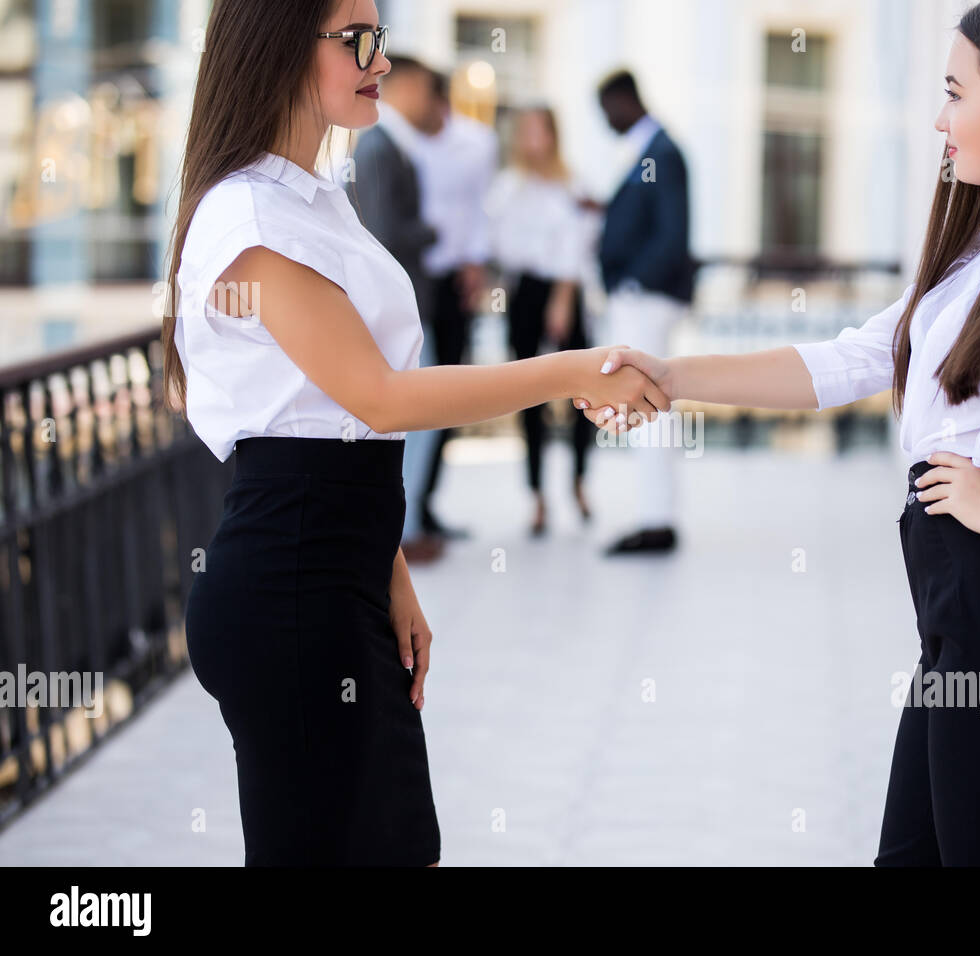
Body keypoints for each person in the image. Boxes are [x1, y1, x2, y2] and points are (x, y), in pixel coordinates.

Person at [579, 0, 980, 865]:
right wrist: (672, 377)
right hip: (967, 615)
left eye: (956, 92)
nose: (940, 117)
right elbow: (849, 359)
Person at [162, 0, 666, 867]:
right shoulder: (248, 218)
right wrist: (571, 368)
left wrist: (388, 568)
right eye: (356, 39)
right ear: (283, 46)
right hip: (289, 594)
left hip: (337, 577)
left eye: (380, 38)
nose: (382, 61)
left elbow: (339, 422)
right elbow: (380, 398)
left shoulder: (314, 197)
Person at [346, 53, 444, 563]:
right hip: (396, 308)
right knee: (410, 423)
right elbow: (382, 233)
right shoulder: (381, 149)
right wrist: (434, 230)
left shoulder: (391, 146)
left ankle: (403, 534)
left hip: (406, 303)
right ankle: (398, 538)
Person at [592, 69, 694, 555]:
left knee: (647, 405)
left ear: (624, 100)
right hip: (641, 297)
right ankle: (656, 517)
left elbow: (672, 236)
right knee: (648, 406)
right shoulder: (650, 150)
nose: (604, 120)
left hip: (647, 299)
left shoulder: (663, 153)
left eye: (606, 109)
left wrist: (633, 282)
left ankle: (657, 521)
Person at [484, 106, 596, 536]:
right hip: (525, 290)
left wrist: (564, 298)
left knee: (583, 390)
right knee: (526, 393)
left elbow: (581, 241)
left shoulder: (573, 183)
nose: (532, 137)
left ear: (553, 134)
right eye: (525, 129)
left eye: (540, 129)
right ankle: (537, 496)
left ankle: (580, 483)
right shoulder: (508, 186)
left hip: (566, 288)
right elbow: (499, 241)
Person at [408, 69, 498, 544]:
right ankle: (408, 510)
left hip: (457, 281)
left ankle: (425, 501)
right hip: (415, 280)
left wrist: (475, 265)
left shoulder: (478, 143)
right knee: (414, 384)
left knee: (449, 388)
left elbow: (481, 208)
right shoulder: (405, 143)